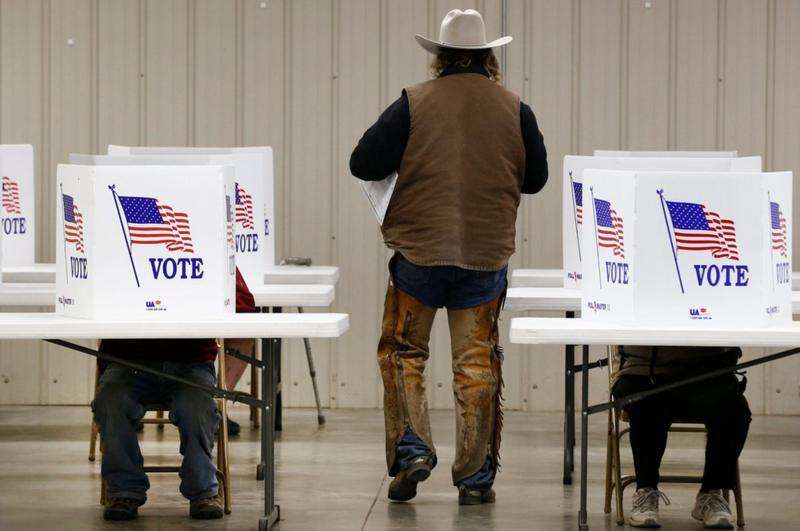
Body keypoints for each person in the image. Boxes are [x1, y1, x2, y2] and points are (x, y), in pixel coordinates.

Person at [349, 9, 547, 505]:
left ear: (438, 57)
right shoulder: (516, 108)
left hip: (419, 252)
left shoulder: (412, 103)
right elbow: (536, 178)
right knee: (476, 363)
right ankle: (476, 478)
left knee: (402, 353)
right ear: (488, 57)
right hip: (485, 255)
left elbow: (363, 162)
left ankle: (413, 450)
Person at [92, 268, 256, 521]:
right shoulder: (115, 251)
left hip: (190, 362)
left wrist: (223, 391)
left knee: (198, 407)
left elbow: (243, 309)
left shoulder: (204, 249)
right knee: (110, 402)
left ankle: (203, 491)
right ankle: (124, 491)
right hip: (127, 361)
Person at [612, 345, 751, 529]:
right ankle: (646, 490)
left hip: (706, 372)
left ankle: (711, 493)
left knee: (735, 410)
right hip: (645, 371)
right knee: (647, 406)